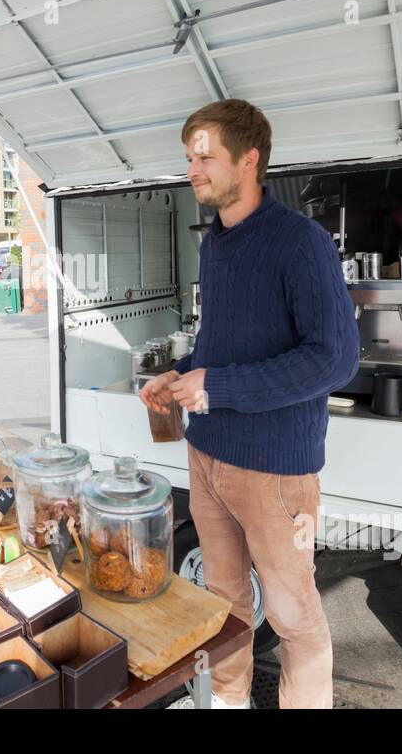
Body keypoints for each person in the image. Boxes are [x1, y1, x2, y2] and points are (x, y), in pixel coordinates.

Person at [140, 99, 358, 709]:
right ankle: (229, 704)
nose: (193, 168)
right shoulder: (215, 244)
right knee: (223, 604)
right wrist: (179, 374)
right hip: (206, 454)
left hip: (274, 471)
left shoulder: (301, 242)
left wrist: (217, 387)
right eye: (189, 158)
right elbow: (221, 342)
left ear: (250, 159)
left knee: (293, 619)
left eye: (205, 156)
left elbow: (334, 360)